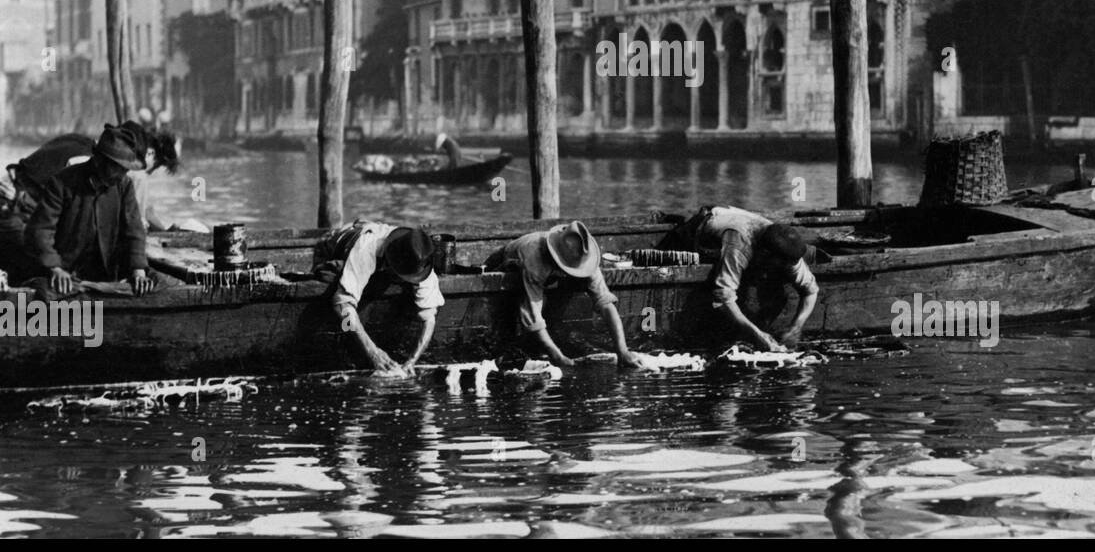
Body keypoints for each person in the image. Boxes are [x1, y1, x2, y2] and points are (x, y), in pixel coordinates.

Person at [483, 221, 656, 370]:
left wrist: (623, 351)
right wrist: (558, 357)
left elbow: (606, 303)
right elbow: (532, 314)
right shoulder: (534, 258)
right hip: (502, 266)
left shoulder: (583, 256)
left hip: (549, 276)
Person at [24, 124, 156, 296]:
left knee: (155, 282)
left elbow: (134, 229)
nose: (121, 174)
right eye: (118, 168)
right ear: (99, 160)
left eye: (125, 170)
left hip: (106, 270)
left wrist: (138, 270)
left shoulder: (124, 185)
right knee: (46, 290)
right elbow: (41, 229)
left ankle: (93, 288)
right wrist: (55, 268)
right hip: (68, 270)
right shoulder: (62, 182)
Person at [662, 205, 819, 351]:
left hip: (735, 218)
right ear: (766, 254)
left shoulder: (786, 248)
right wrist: (757, 334)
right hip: (703, 228)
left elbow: (810, 291)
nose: (789, 267)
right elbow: (724, 299)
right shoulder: (738, 246)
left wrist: (796, 327)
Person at [311, 221, 442, 374]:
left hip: (378, 257)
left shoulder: (420, 258)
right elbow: (341, 305)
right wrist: (373, 352)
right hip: (335, 244)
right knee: (331, 282)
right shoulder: (367, 248)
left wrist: (413, 360)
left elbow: (429, 316)